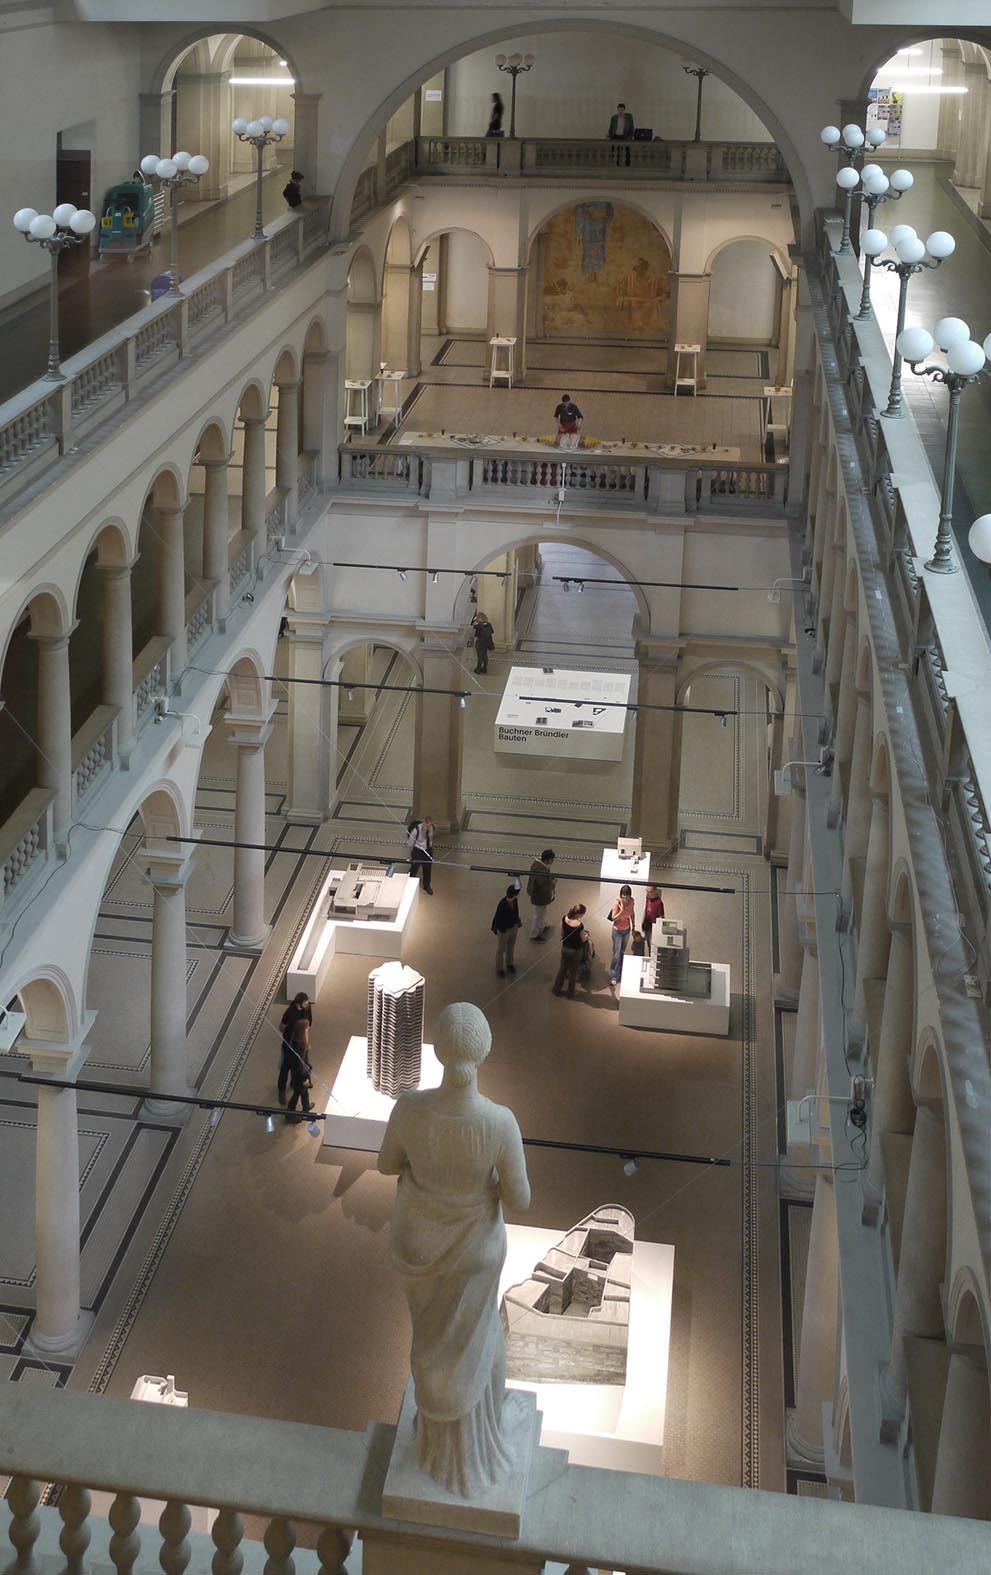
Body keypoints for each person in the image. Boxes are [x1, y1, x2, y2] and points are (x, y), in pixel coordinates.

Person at [377, 1002, 530, 1496]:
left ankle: (437, 1445)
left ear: (438, 1051)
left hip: (419, 1242)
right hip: (475, 1251)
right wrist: (482, 1185)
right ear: (484, 1052)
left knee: (434, 1340)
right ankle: (477, 1446)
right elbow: (520, 1199)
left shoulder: (409, 1108)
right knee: (478, 1338)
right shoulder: (499, 1122)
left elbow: (386, 1164)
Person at [278, 991, 312, 1103]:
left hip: (302, 1042)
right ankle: (281, 1091)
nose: (307, 1005)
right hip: (290, 1044)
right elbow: (281, 1027)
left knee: (302, 1064)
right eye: (305, 1003)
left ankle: (297, 1083)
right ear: (299, 1003)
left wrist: (305, 1039)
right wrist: (292, 1031)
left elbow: (308, 1024)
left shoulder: (307, 1008)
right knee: (286, 1067)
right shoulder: (289, 1013)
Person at [553, 904, 589, 998]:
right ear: (579, 914)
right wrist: (586, 936)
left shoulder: (564, 918)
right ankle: (570, 993)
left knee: (562, 969)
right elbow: (582, 939)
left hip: (565, 948)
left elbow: (562, 934)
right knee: (573, 972)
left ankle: (556, 989)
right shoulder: (579, 925)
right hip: (575, 951)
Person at [285, 1015, 313, 1121]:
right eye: (307, 1028)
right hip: (300, 1077)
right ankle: (289, 1115)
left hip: (299, 1074)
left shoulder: (297, 1042)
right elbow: (299, 1066)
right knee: (297, 1094)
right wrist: (305, 1079)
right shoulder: (300, 1047)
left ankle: (306, 1107)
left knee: (304, 1093)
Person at [608, 883, 636, 985]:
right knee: (616, 954)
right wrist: (622, 910)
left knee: (622, 952)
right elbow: (613, 918)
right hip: (617, 931)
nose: (625, 899)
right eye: (624, 896)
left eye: (627, 896)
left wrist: (633, 926)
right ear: (621, 896)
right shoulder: (617, 903)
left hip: (626, 930)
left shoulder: (632, 901)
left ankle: (619, 972)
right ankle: (613, 975)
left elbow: (632, 913)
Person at [491, 884, 521, 976]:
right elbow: (498, 919)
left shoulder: (515, 900)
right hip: (504, 930)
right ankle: (499, 968)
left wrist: (517, 922)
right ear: (513, 895)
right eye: (516, 894)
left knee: (511, 947)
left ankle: (509, 963)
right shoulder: (502, 904)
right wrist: (503, 931)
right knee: (501, 949)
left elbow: (516, 912)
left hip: (513, 927)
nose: (517, 896)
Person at [526, 849, 556, 940]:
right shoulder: (540, 869)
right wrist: (553, 884)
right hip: (539, 897)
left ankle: (541, 926)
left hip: (541, 896)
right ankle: (534, 935)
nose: (553, 861)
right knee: (538, 916)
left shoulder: (540, 864)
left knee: (542, 913)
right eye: (552, 859)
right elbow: (542, 886)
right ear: (547, 860)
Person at [406, 815, 435, 894]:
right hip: (418, 850)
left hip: (427, 849)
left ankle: (426, 885)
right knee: (415, 867)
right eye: (426, 826)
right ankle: (409, 881)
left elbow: (431, 839)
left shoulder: (432, 828)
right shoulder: (416, 830)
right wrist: (413, 852)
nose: (427, 828)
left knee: (427, 868)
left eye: (429, 826)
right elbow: (410, 843)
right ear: (424, 823)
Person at [607, 102, 635, 166]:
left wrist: (630, 137)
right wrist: (609, 136)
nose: (620, 111)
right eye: (619, 110)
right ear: (617, 110)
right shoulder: (614, 118)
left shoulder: (629, 117)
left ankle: (627, 164)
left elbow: (632, 128)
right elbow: (611, 128)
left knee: (627, 151)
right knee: (615, 151)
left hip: (625, 136)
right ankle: (616, 164)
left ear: (624, 110)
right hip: (616, 136)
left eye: (622, 110)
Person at [642, 884, 665, 951]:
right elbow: (646, 909)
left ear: (655, 891)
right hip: (647, 924)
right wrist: (642, 921)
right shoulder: (647, 898)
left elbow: (662, 917)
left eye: (650, 892)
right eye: (647, 892)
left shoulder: (659, 902)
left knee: (653, 945)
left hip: (654, 927)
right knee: (649, 945)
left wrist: (660, 930)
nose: (648, 894)